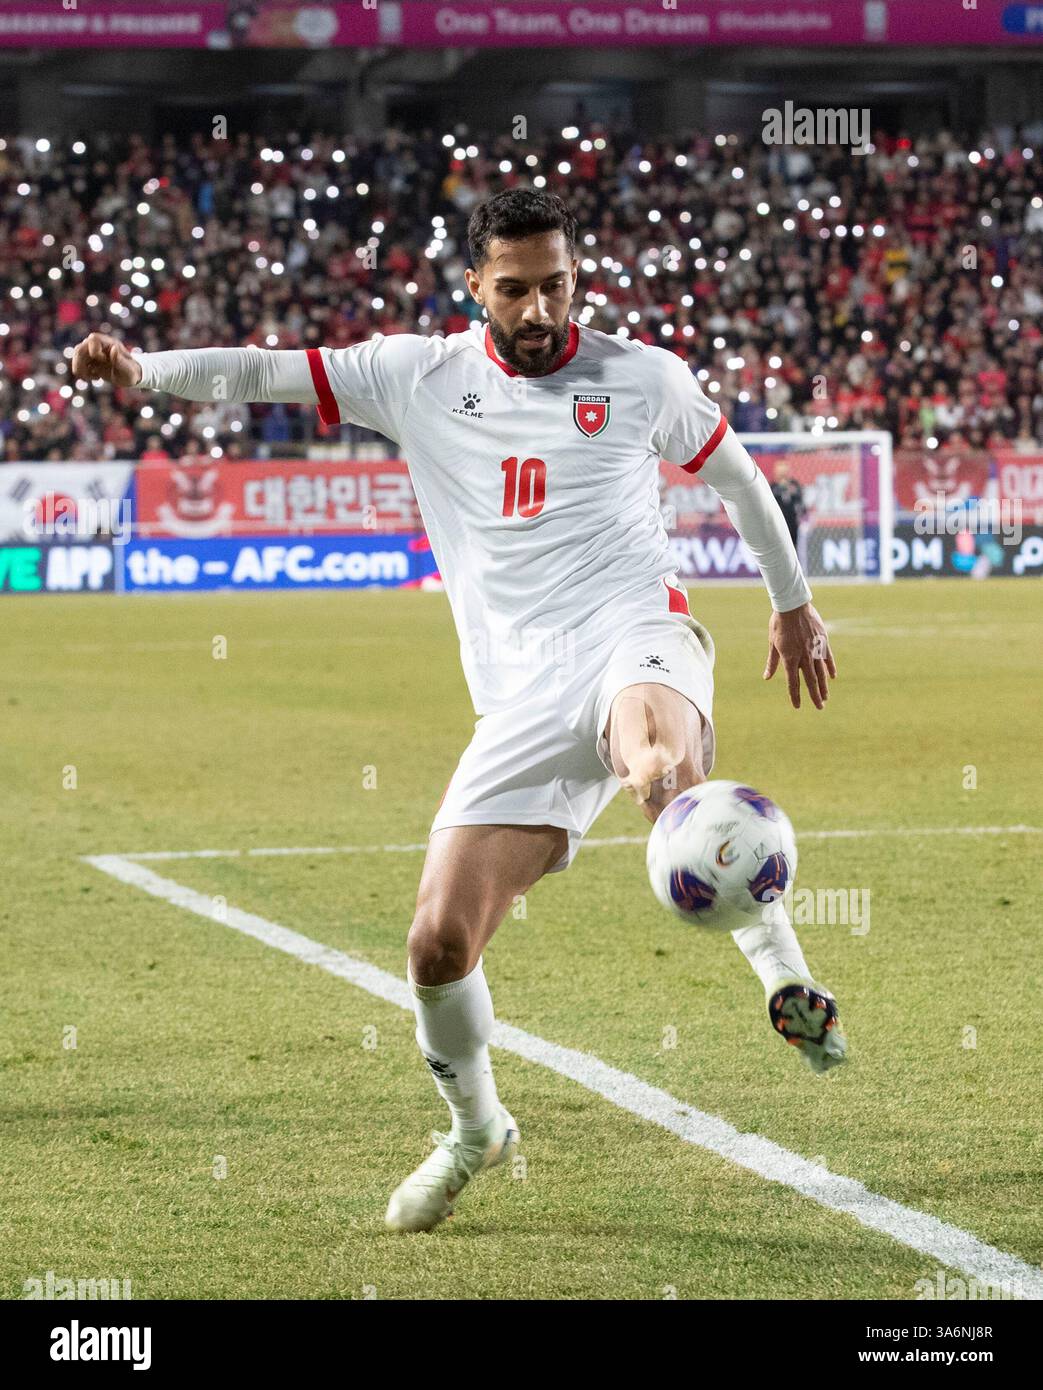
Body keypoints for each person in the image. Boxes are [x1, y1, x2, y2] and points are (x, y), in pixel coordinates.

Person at [71, 188, 845, 1235]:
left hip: (633, 628)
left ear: (576, 277)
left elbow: (743, 483)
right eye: (515, 289)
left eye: (556, 285)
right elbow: (261, 371)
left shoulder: (641, 378)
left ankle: (785, 976)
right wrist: (142, 370)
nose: (539, 309)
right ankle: (477, 1128)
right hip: (517, 695)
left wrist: (791, 604)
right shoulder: (415, 374)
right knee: (436, 943)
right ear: (476, 284)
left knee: (656, 759)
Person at [769, 459, 806, 551]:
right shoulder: (772, 487)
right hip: (778, 521)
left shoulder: (794, 485)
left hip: (792, 521)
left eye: (784, 472)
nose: (782, 474)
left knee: (794, 546)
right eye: (780, 472)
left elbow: (800, 501)